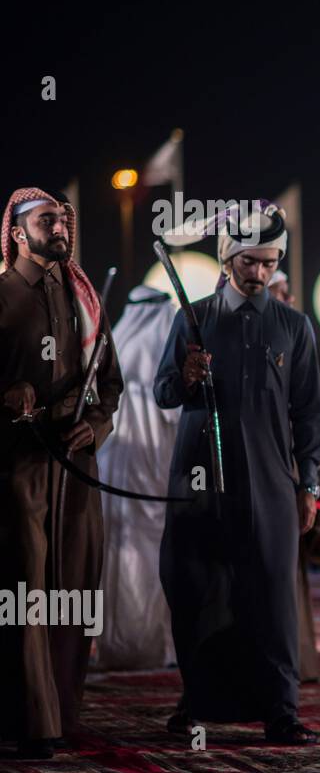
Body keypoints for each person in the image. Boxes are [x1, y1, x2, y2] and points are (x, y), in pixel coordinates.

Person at [155, 204, 320, 745]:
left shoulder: (293, 327)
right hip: (200, 484)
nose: (259, 274)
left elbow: (309, 413)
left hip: (273, 485)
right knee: (199, 591)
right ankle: (197, 700)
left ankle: (281, 711)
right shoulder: (194, 318)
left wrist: (310, 483)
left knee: (272, 597)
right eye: (249, 262)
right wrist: (186, 375)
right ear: (227, 258)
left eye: (269, 263)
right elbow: (162, 393)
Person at [0, 188, 123, 760]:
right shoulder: (0, 296)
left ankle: (61, 713)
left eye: (64, 217)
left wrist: (95, 426)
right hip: (18, 465)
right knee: (26, 592)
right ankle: (34, 722)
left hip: (77, 464)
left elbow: (112, 385)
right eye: (47, 218)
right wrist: (8, 395)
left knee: (74, 589)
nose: (60, 224)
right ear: (18, 232)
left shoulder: (84, 299)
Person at [97, 285, 179, 670]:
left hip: (115, 462)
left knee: (120, 551)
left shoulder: (119, 341)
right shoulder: (163, 343)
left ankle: (120, 644)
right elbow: (174, 414)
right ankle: (154, 646)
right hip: (153, 465)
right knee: (154, 553)